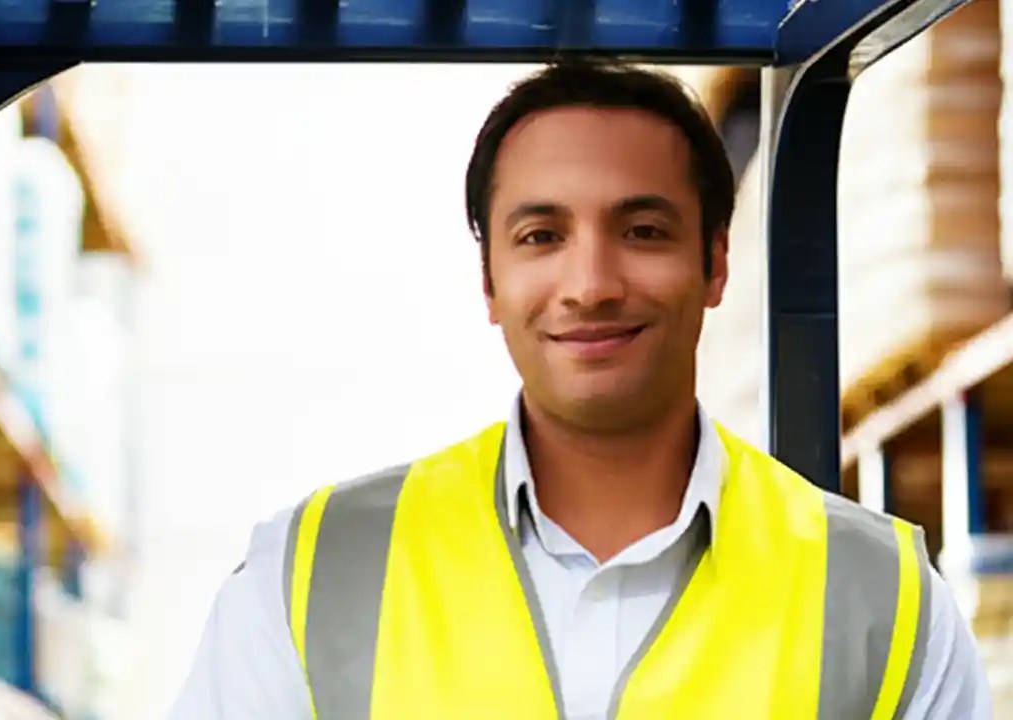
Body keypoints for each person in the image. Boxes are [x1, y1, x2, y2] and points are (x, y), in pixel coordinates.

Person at [167, 59, 991, 719]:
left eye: (642, 231)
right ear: (489, 279)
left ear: (714, 264)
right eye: (541, 236)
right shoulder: (311, 577)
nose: (591, 283)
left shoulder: (884, 595)